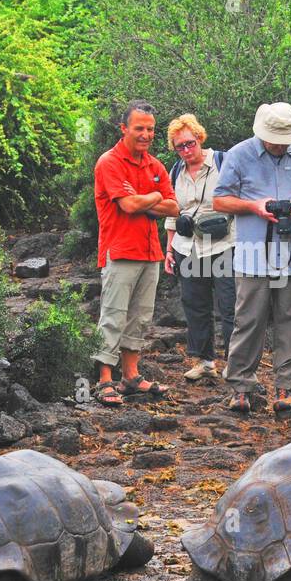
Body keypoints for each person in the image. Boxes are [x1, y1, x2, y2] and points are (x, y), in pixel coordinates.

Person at [212, 102, 291, 414]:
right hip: (253, 254)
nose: (281, 143)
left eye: (285, 138)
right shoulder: (239, 154)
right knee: (249, 321)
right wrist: (254, 206)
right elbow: (219, 200)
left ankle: (285, 386)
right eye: (276, 137)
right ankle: (240, 387)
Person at [90, 99, 180, 406]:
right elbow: (127, 206)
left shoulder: (155, 165)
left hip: (150, 251)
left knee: (140, 317)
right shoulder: (109, 162)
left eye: (151, 129)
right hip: (120, 250)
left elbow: (175, 207)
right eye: (139, 128)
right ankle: (104, 379)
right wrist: (155, 197)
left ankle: (130, 375)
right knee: (113, 315)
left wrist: (146, 200)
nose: (145, 134)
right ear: (124, 128)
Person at [163, 114, 235, 382]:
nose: (186, 150)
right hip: (187, 246)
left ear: (200, 138)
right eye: (179, 146)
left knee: (230, 305)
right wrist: (169, 250)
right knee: (194, 305)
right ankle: (204, 361)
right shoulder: (175, 172)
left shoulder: (223, 163)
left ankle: (235, 362)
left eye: (190, 143)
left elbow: (241, 198)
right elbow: (173, 212)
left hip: (224, 244)